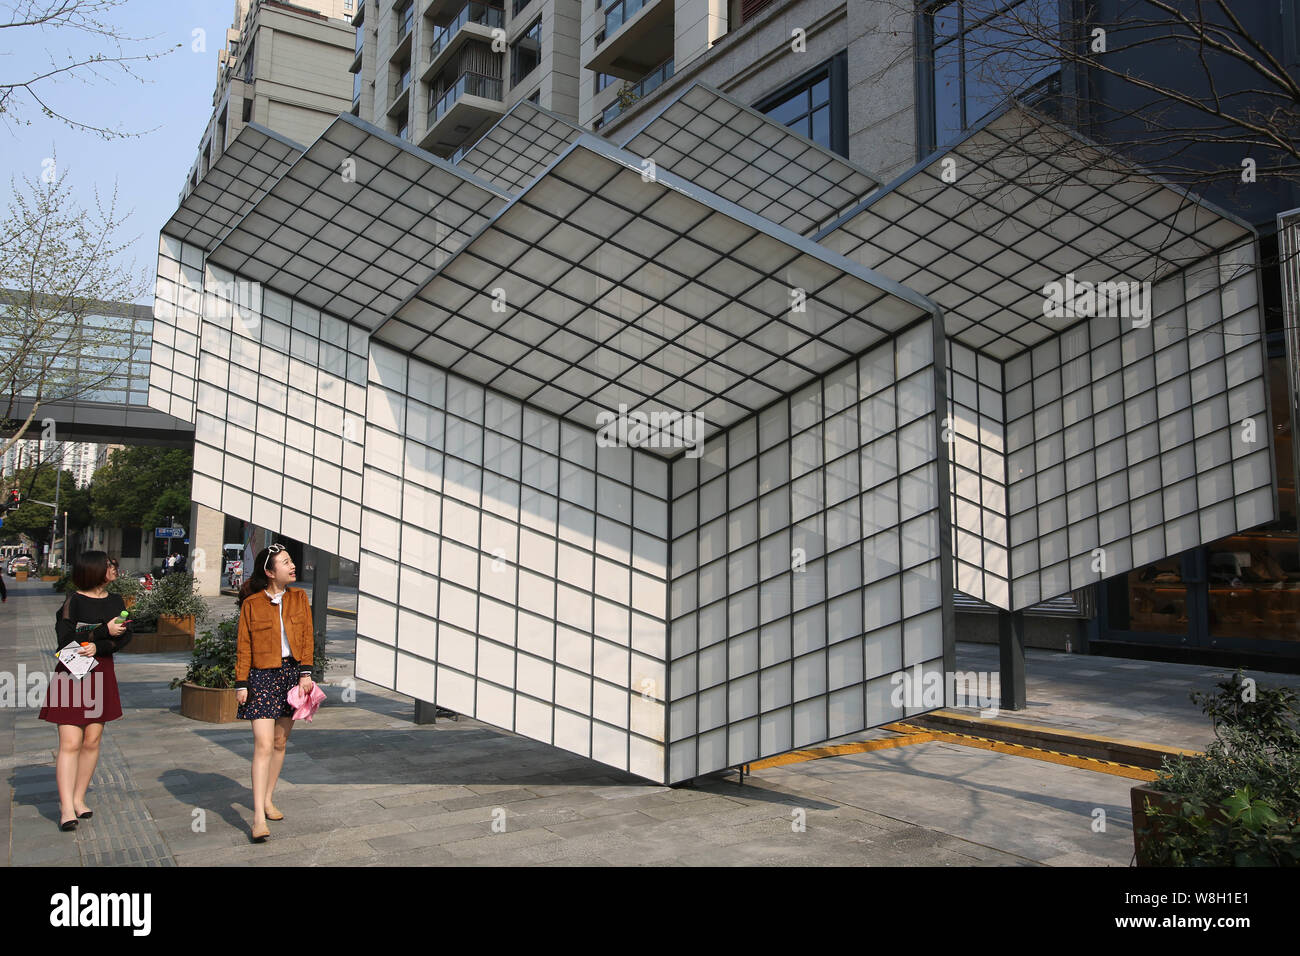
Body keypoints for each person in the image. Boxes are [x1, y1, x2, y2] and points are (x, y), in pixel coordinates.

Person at [38, 553, 132, 831]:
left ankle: (79, 798)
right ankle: (66, 807)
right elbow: (65, 640)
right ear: (94, 570)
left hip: (101, 671)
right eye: (109, 565)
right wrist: (103, 631)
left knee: (92, 739)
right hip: (72, 673)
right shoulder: (73, 601)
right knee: (70, 742)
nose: (114, 569)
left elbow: (125, 636)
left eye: (114, 565)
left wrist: (99, 645)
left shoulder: (116, 601)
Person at [235, 543, 315, 843]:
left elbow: (307, 635)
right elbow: (243, 646)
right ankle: (257, 817)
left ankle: (268, 798)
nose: (292, 565)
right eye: (285, 562)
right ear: (270, 572)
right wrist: (241, 683)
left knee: (280, 742)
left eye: (291, 560)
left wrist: (306, 672)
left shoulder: (299, 597)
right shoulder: (252, 604)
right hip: (261, 675)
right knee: (263, 744)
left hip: (291, 675)